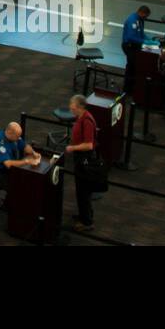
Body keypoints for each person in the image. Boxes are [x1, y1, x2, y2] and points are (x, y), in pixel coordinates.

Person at [64, 93, 99, 232]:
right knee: (80, 190)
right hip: (80, 158)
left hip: (85, 159)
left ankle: (87, 222)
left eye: (73, 108)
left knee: (84, 191)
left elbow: (89, 145)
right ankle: (84, 215)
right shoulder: (81, 118)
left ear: (81, 107)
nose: (71, 111)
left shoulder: (87, 121)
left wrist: (72, 147)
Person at [0, 122, 40, 190]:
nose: (18, 138)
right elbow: (8, 164)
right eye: (17, 136)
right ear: (10, 132)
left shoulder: (13, 137)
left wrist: (33, 152)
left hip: (5, 167)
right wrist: (26, 162)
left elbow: (24, 146)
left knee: (26, 178)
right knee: (15, 186)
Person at [122, 6, 150, 94]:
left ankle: (133, 86)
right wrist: (144, 42)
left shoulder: (140, 20)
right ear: (141, 13)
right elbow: (131, 37)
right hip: (129, 46)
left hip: (135, 45)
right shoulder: (132, 20)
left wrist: (149, 40)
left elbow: (141, 33)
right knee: (131, 66)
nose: (146, 18)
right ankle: (127, 89)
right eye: (145, 16)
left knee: (135, 66)